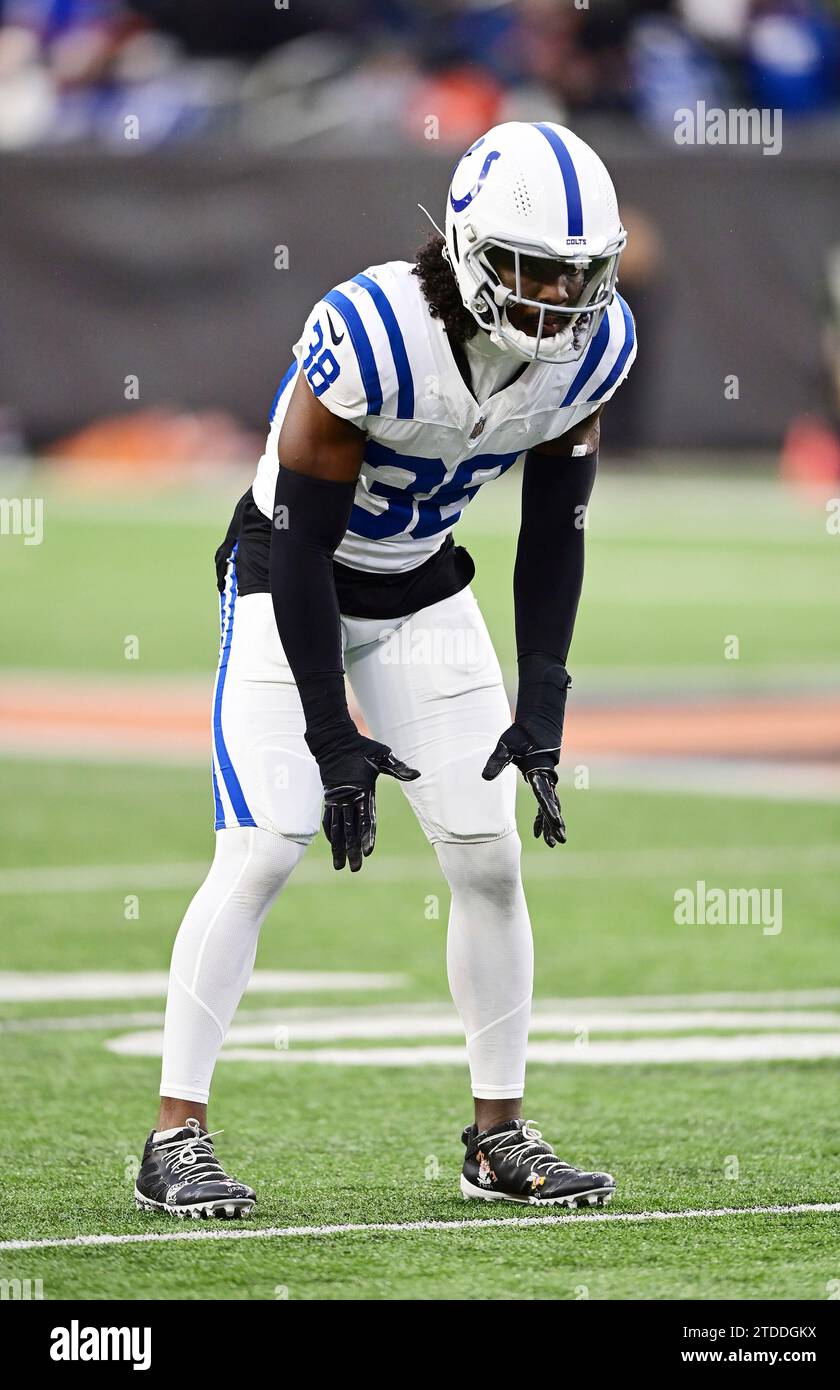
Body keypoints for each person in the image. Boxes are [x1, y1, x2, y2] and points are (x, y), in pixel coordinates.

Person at [134, 121, 637, 1219]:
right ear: (463, 247)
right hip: (288, 578)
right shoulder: (368, 330)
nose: (556, 296)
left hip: (421, 585)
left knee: (487, 853)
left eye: (577, 271)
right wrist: (333, 735)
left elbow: (558, 521)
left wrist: (542, 701)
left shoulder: (594, 348)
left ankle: (495, 1135)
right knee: (265, 843)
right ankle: (175, 1135)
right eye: (530, 267)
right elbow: (304, 540)